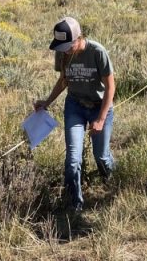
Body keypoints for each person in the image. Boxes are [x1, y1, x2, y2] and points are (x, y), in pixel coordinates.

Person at [34, 17, 115, 215]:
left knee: (101, 156)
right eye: (62, 47)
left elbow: (111, 86)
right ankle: (74, 203)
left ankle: (112, 181)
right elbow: (64, 81)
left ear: (79, 38)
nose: (66, 51)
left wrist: (101, 119)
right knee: (72, 158)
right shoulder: (62, 54)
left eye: (69, 46)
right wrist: (47, 102)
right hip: (75, 107)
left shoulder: (97, 52)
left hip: (99, 107)